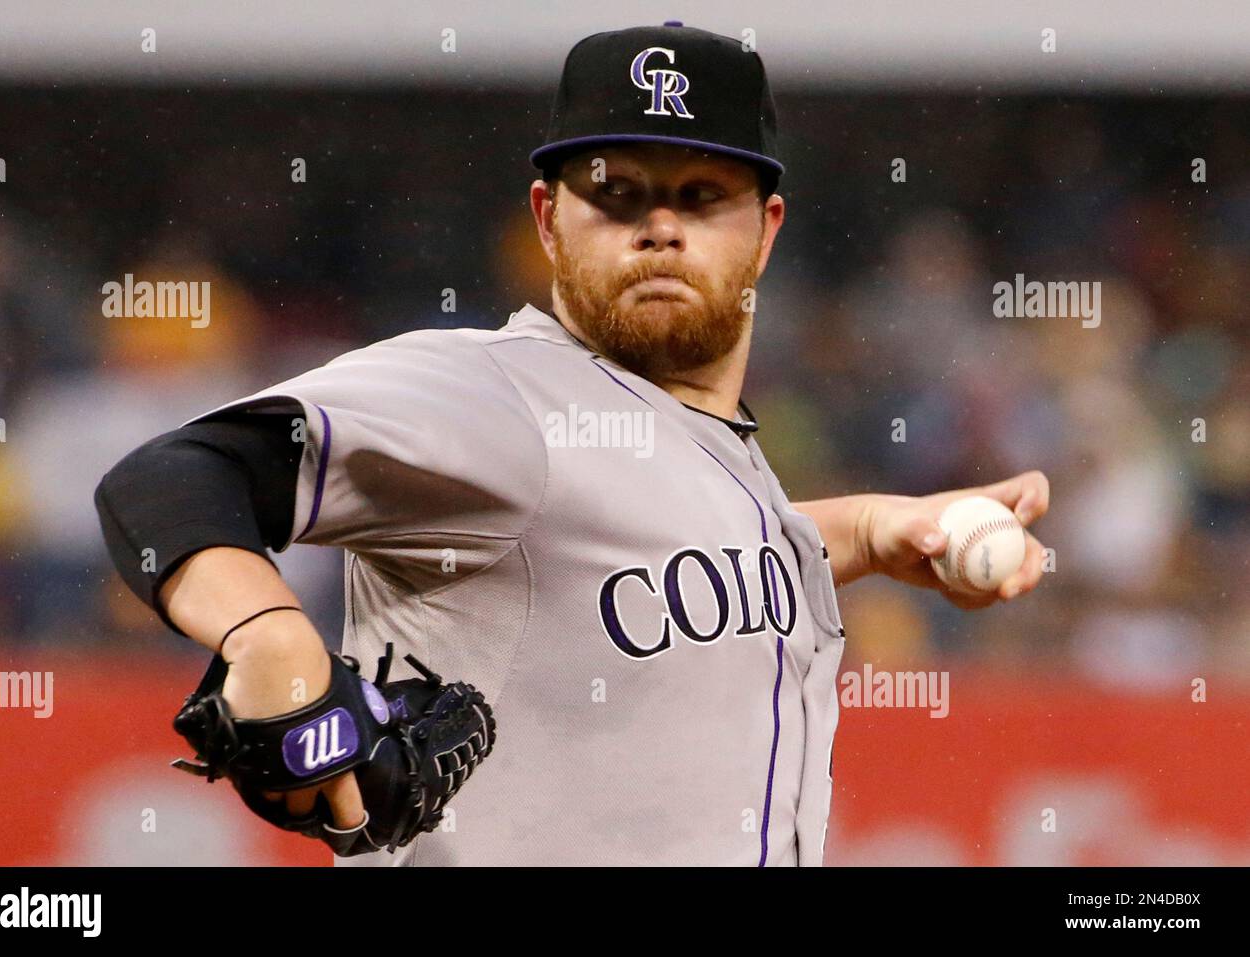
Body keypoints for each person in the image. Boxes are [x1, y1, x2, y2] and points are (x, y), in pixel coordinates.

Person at [95, 21, 1049, 866]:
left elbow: (651, 554)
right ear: (549, 220)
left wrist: (873, 528)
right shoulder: (493, 396)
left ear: (764, 233)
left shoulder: (688, 439)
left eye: (701, 194)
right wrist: (266, 632)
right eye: (618, 194)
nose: (660, 227)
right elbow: (173, 476)